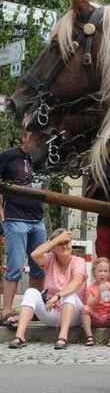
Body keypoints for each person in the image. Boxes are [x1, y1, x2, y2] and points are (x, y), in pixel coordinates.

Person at [7, 229, 86, 350]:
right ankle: (20, 337)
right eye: (60, 243)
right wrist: (55, 240)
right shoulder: (50, 259)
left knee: (69, 295)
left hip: (73, 315)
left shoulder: (79, 261)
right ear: (54, 247)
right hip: (51, 312)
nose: (64, 246)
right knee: (31, 292)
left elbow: (76, 283)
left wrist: (57, 296)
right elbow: (34, 254)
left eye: (67, 242)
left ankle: (62, 338)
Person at [0, 130, 48, 328]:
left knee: (39, 267)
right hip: (15, 218)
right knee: (15, 266)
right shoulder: (8, 156)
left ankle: (34, 309)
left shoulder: (43, 158)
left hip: (37, 219)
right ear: (24, 137)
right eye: (33, 135)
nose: (37, 140)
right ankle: (7, 311)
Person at [81, 256, 110, 346]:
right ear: (94, 273)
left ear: (109, 273)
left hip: (109, 317)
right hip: (96, 317)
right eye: (100, 271)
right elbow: (89, 304)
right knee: (84, 308)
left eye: (105, 271)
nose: (102, 274)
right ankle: (89, 336)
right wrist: (98, 294)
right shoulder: (91, 288)